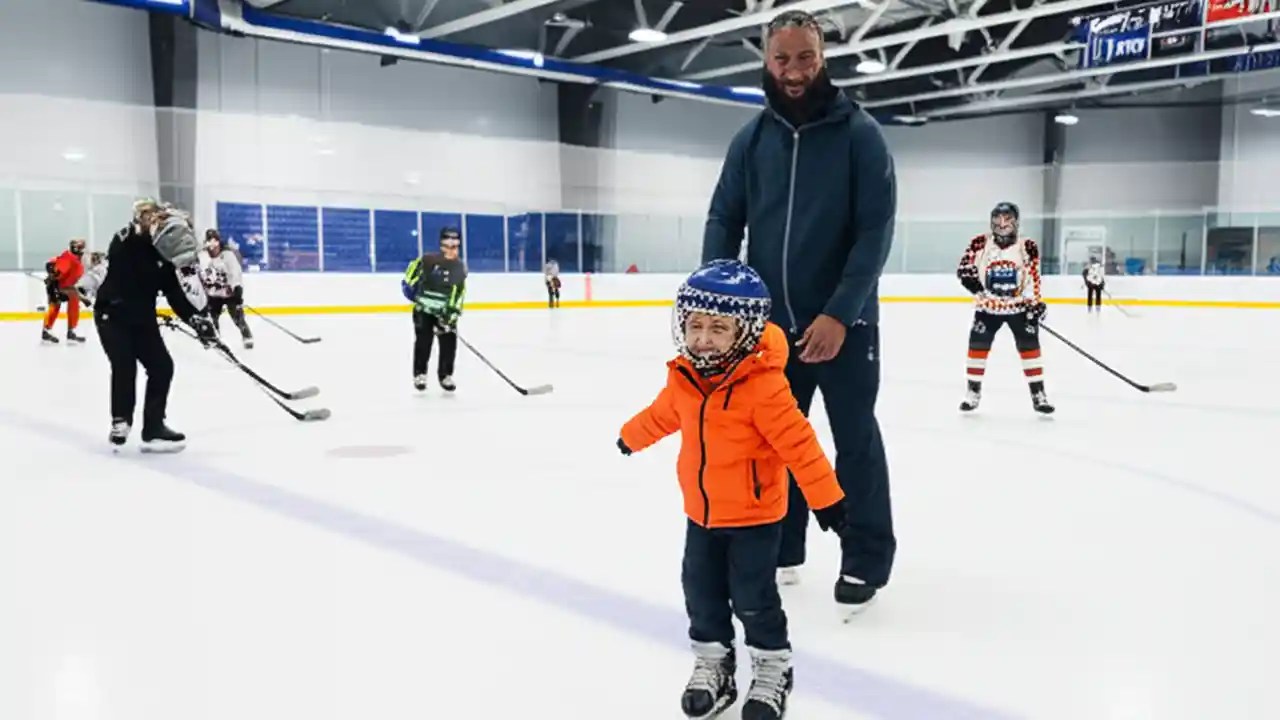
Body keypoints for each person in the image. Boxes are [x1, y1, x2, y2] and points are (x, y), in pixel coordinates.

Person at [699, 7, 897, 615]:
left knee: (853, 440)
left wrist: (841, 312)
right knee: (773, 441)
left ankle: (865, 559)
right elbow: (724, 218)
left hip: (844, 326)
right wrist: (718, 298)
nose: (793, 70)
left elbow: (875, 231)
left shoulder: (858, 133)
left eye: (805, 57)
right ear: (766, 59)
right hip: (770, 333)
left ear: (823, 57)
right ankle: (782, 546)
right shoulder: (751, 139)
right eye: (782, 58)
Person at [616, 259, 848, 720]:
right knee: (699, 590)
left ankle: (772, 665)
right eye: (696, 325)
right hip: (700, 514)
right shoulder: (685, 375)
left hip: (754, 517)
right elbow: (663, 414)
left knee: (753, 598)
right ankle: (714, 664)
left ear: (745, 331)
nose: (703, 337)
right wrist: (631, 435)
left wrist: (828, 499)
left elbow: (800, 445)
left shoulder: (763, 388)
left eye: (718, 328)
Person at [94, 199, 218, 452]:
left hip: (141, 317)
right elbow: (127, 273)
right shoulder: (126, 239)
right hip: (112, 315)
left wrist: (196, 320)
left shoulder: (164, 253)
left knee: (162, 366)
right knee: (124, 365)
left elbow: (173, 293)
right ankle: (121, 420)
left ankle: (153, 427)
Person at [956, 201, 1053, 414]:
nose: (1001, 224)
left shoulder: (1027, 246)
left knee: (1030, 348)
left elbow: (1033, 277)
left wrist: (1035, 304)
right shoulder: (980, 243)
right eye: (997, 219)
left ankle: (1038, 394)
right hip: (987, 308)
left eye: (1007, 219)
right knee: (977, 347)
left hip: (1018, 308)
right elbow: (964, 266)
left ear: (1016, 222)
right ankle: (973, 392)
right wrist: (967, 276)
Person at [402, 226, 467, 392]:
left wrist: (450, 316)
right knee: (423, 342)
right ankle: (420, 374)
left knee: (448, 344)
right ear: (442, 244)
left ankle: (445, 375)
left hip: (444, 313)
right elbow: (409, 278)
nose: (452, 249)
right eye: (448, 244)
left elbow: (458, 293)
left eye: (455, 245)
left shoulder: (459, 267)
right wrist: (412, 292)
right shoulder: (428, 260)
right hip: (424, 311)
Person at [200, 230, 254, 349]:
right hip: (213, 293)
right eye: (209, 241)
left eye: (215, 241)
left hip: (230, 293)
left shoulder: (228, 255)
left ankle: (247, 336)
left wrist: (237, 288)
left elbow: (235, 273)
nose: (212, 245)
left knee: (237, 316)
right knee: (212, 318)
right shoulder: (203, 256)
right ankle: (214, 338)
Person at [41, 238, 88, 344]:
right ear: (75, 248)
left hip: (65, 286)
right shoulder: (69, 257)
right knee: (55, 306)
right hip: (56, 285)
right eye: (80, 248)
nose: (82, 250)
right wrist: (52, 277)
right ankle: (46, 331)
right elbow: (57, 271)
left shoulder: (77, 260)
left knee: (74, 301)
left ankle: (71, 331)